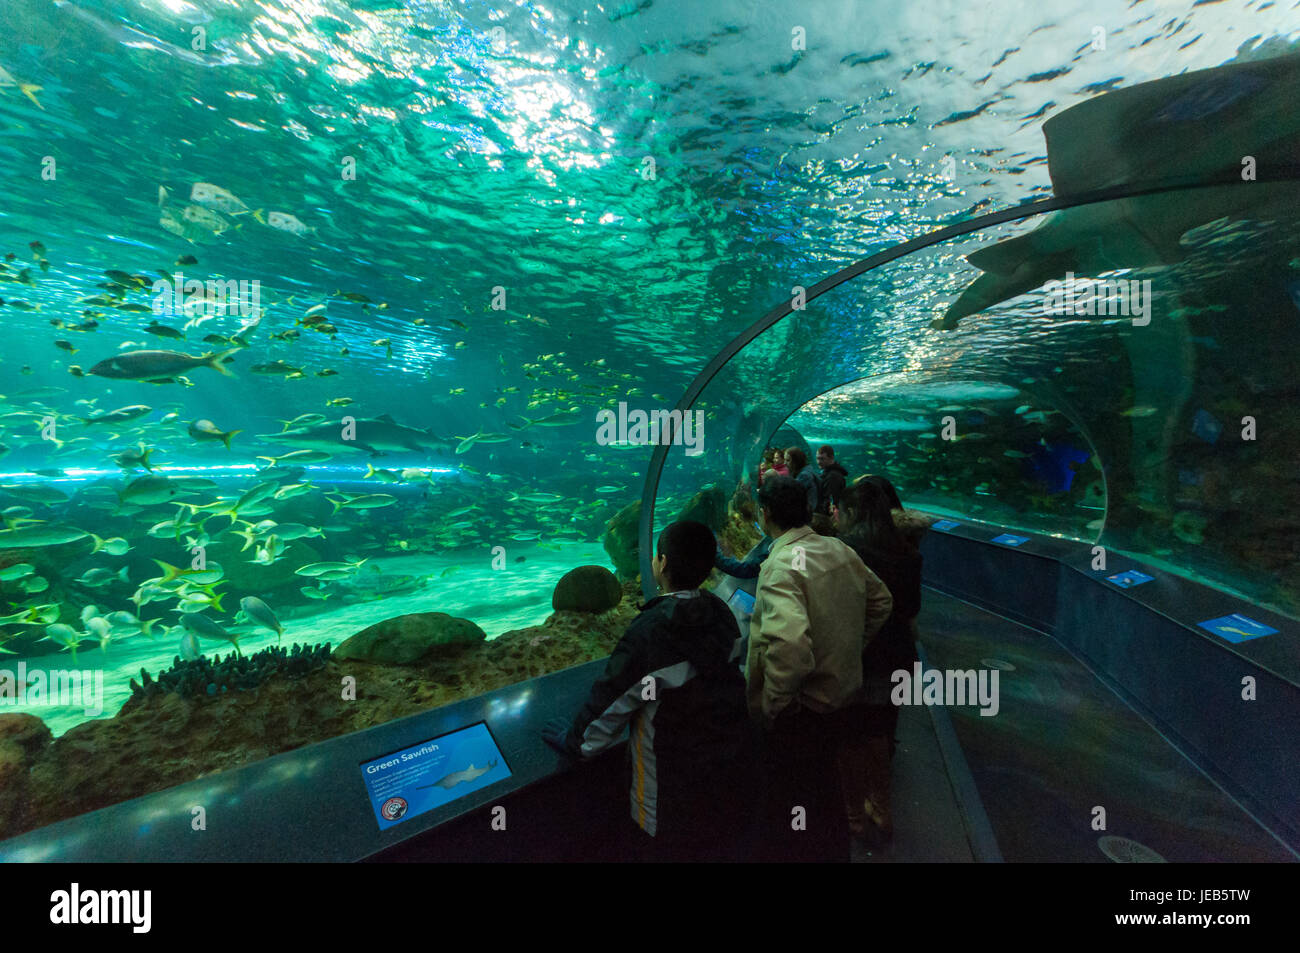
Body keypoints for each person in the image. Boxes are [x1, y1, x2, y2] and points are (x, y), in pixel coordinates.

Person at [542, 520, 754, 862]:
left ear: (663, 563)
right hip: (726, 774)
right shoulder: (721, 613)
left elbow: (608, 706)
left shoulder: (652, 632)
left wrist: (573, 742)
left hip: (668, 795)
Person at [746, 476, 893, 862]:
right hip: (843, 701)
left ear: (765, 515)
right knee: (828, 797)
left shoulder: (779, 566)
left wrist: (776, 705)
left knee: (794, 804)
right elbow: (881, 601)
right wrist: (847, 649)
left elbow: (791, 648)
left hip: (803, 714)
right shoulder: (837, 549)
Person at [835, 478, 924, 847]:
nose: (833, 515)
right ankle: (882, 810)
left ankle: (854, 816)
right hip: (898, 658)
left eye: (838, 509)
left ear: (852, 512)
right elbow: (912, 609)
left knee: (851, 738)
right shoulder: (908, 553)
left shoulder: (845, 552)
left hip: (860, 658)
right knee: (881, 734)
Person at [785, 447, 820, 518]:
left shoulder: (804, 476)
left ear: (796, 461)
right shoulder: (808, 470)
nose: (784, 463)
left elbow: (792, 495)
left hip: (808, 516)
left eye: (788, 460)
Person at [815, 445, 848, 517]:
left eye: (822, 459)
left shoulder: (833, 477)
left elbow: (831, 501)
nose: (818, 462)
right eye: (817, 458)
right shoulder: (828, 473)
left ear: (831, 458)